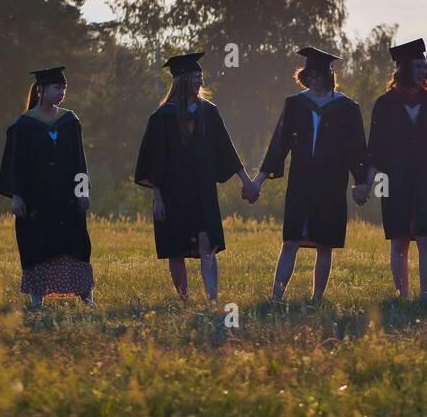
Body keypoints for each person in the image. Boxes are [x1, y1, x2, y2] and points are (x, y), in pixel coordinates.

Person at [134, 52, 255, 302]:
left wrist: (246, 180)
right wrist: (157, 197)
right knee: (175, 247)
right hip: (172, 191)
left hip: (202, 190)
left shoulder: (209, 112)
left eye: (200, 76)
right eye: (194, 77)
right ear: (181, 80)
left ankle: (212, 298)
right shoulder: (161, 117)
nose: (200, 81)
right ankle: (184, 298)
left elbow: (226, 148)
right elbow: (153, 160)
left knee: (207, 243)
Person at [254, 47, 370, 304]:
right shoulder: (295, 104)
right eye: (311, 74)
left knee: (325, 243)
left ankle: (317, 298)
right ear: (305, 75)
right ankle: (276, 296)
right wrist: (259, 181)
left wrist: (362, 182)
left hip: (332, 183)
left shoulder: (347, 107)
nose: (315, 79)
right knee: (291, 239)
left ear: (330, 75)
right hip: (301, 183)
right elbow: (279, 145)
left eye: (320, 74)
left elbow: (357, 147)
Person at [366, 38, 427, 300]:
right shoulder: (385, 104)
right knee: (399, 238)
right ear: (403, 69)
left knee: (426, 238)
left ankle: (424, 295)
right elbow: (375, 149)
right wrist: (367, 183)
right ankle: (402, 294)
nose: (423, 71)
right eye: (418, 66)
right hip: (395, 180)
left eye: (425, 66)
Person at [0, 66, 94, 308]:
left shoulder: (69, 121)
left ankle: (86, 296)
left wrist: (82, 192)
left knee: (76, 242)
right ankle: (36, 298)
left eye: (64, 88)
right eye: (57, 87)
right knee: (36, 244)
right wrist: (16, 196)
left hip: (66, 197)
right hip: (36, 198)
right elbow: (14, 164)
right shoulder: (24, 125)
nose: (62, 92)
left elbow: (79, 159)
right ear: (40, 90)